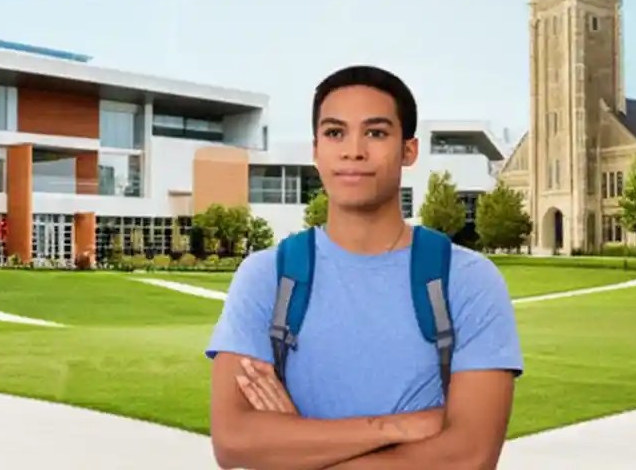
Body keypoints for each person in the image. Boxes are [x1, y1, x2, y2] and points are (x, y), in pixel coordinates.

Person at [205, 65, 523, 469]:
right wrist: (394, 427)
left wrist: (296, 444)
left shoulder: (466, 279)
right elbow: (234, 441)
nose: (353, 150)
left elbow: (469, 457)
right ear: (316, 150)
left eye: (376, 132)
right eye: (335, 133)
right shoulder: (267, 276)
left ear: (409, 150)